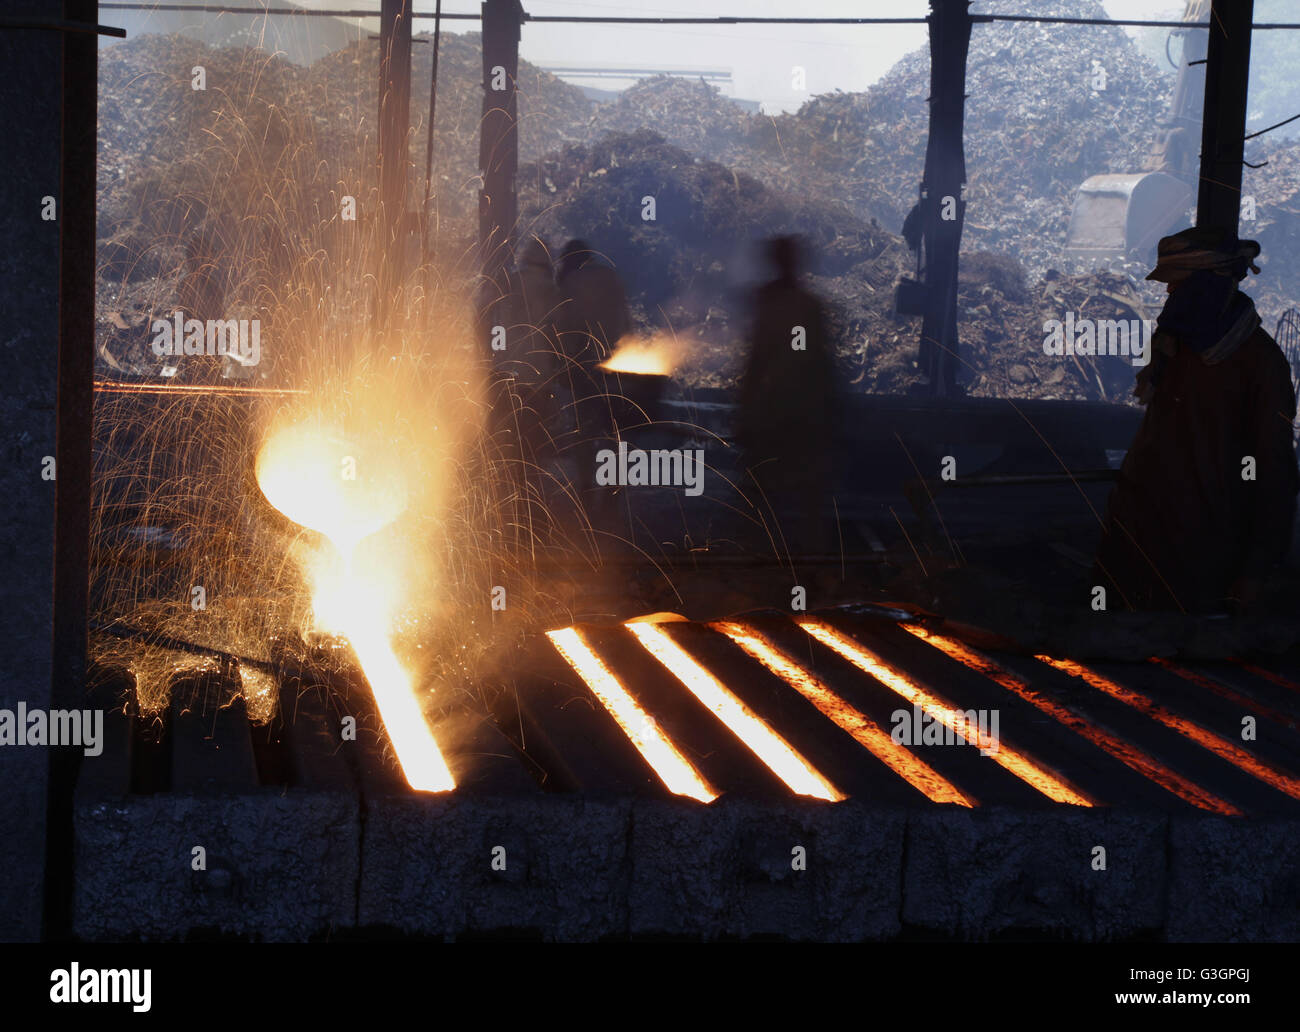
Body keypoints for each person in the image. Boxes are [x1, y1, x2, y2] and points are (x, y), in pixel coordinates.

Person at [1093, 227, 1299, 614]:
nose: (1169, 294)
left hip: (1203, 564)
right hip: (1139, 550)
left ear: (1210, 284)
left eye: (1178, 284)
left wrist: (1255, 572)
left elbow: (1274, 475)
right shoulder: (1176, 350)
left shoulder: (1261, 364)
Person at [737, 235, 837, 555]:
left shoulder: (773, 305)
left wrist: (745, 408)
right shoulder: (809, 306)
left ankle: (760, 556)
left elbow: (758, 359)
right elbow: (822, 359)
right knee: (807, 490)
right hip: (806, 410)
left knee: (762, 487)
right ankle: (810, 561)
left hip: (776, 410)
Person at [553, 239, 632, 526]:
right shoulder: (610, 277)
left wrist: (563, 363)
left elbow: (566, 326)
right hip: (617, 364)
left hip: (585, 366)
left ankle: (587, 490)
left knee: (585, 432)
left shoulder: (572, 283)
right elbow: (626, 320)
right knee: (614, 432)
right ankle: (613, 493)